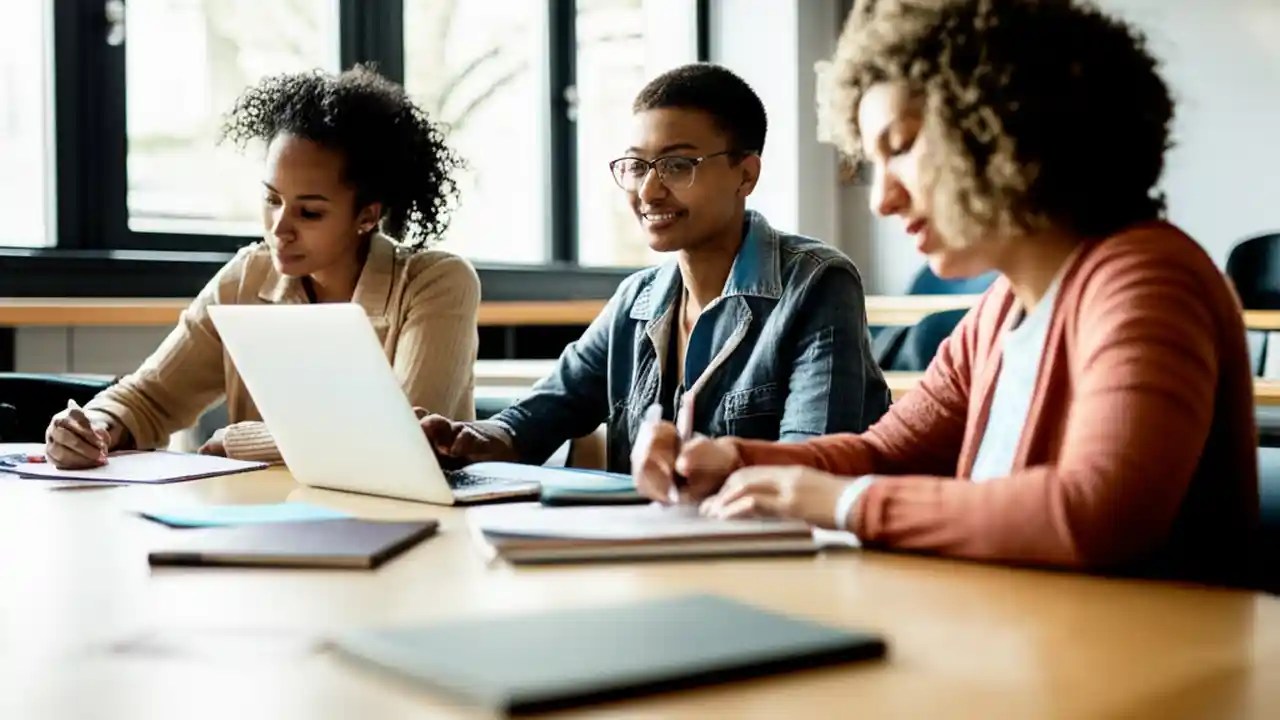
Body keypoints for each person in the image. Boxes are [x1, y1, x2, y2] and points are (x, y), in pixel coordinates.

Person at [634, 0, 1259, 585]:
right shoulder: (1001, 312)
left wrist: (846, 503)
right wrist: (731, 459)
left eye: (899, 148)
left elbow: (1095, 514)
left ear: (1000, 128)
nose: (881, 199)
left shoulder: (1145, 276)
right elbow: (885, 452)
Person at [421, 63, 889, 472]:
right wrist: (468, 440)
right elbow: (535, 420)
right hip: (647, 556)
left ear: (745, 174)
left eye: (677, 165)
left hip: (765, 559)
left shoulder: (817, 283)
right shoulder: (636, 300)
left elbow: (811, 462)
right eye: (637, 166)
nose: (648, 192)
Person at [44, 66, 479, 468]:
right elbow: (148, 397)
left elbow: (405, 436)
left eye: (309, 213)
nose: (279, 229)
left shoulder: (437, 283)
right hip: (268, 521)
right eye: (272, 199)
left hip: (413, 527)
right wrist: (95, 425)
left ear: (367, 216)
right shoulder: (247, 277)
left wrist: (241, 441)